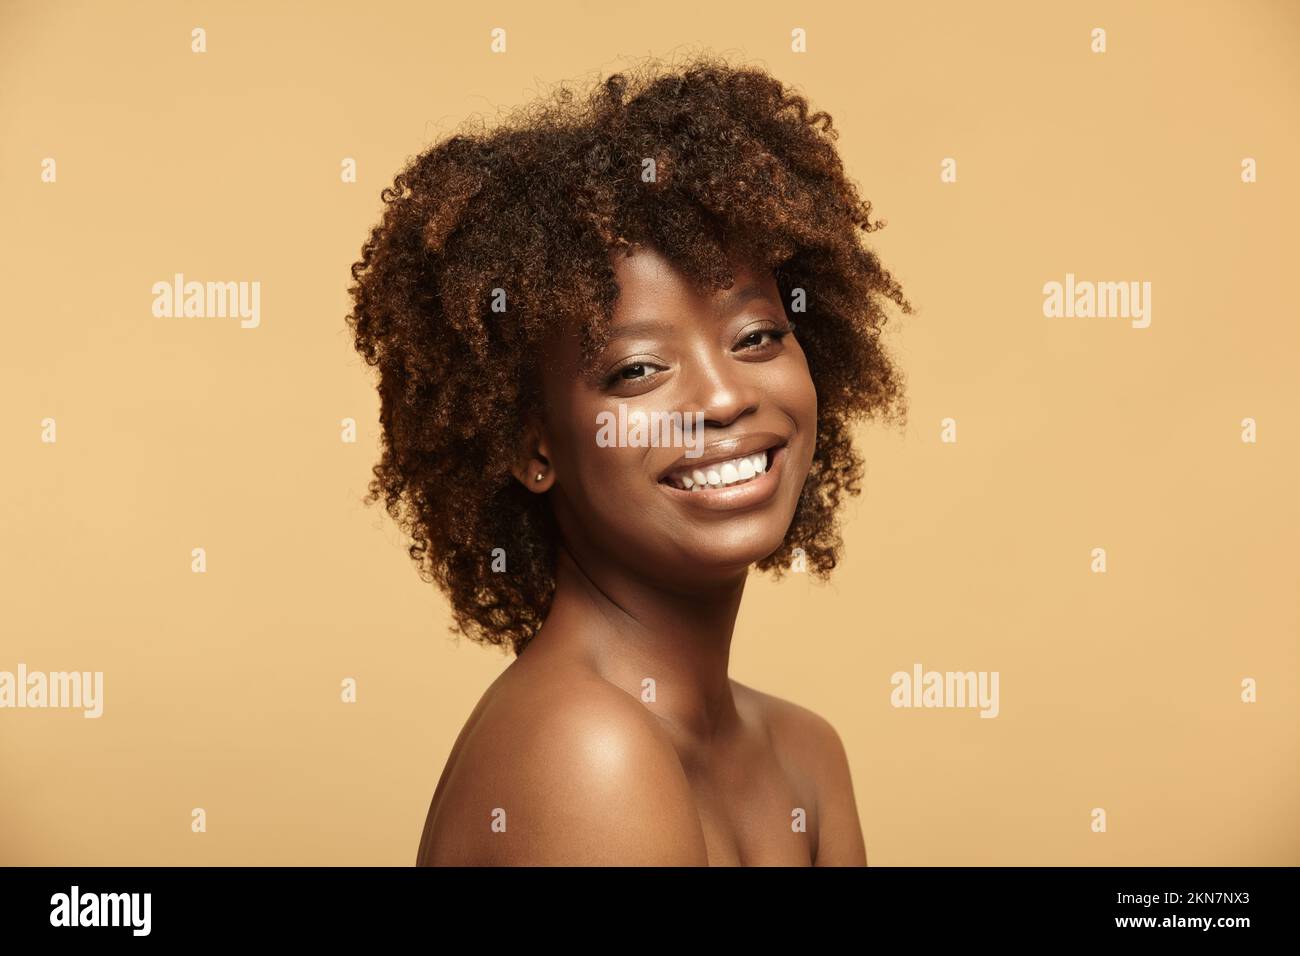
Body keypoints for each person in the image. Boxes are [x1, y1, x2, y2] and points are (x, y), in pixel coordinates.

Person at [345, 54, 912, 865]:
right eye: (638, 370)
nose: (722, 399)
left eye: (756, 337)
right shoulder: (585, 752)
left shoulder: (805, 758)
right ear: (530, 446)